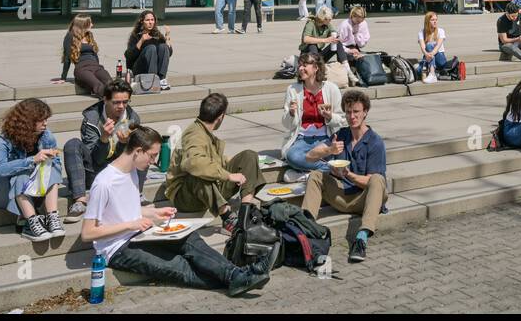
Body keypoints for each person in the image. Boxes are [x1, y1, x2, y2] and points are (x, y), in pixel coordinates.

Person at [82, 125, 267, 296]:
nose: (154, 162)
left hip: (139, 234)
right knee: (178, 266)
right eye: (152, 155)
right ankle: (237, 277)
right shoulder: (104, 182)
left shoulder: (131, 171)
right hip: (117, 249)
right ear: (138, 151)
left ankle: (236, 274)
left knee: (189, 238)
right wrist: (131, 224)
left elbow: (124, 208)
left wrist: (154, 213)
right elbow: (88, 233)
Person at [299, 89, 388, 263]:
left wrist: (349, 174)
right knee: (317, 175)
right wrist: (329, 150)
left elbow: (370, 182)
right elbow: (309, 157)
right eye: (348, 112)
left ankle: (361, 239)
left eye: (356, 112)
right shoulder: (341, 135)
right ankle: (305, 230)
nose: (352, 116)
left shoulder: (375, 142)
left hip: (365, 199)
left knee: (378, 180)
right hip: (341, 196)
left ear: (365, 113)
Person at [164, 92, 264, 234]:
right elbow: (194, 163)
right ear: (220, 117)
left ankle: (245, 212)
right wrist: (228, 176)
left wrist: (229, 163)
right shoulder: (194, 134)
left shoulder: (204, 130)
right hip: (186, 197)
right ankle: (227, 217)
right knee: (200, 173)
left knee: (249, 156)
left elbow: (211, 160)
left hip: (210, 189)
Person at [0, 98, 63, 242]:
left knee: (53, 167)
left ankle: (52, 217)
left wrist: (49, 162)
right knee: (21, 175)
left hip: (33, 188)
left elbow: (57, 164)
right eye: (41, 120)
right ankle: (31, 222)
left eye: (46, 119)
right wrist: (31, 160)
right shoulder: (3, 140)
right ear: (28, 121)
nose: (45, 123)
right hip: (1, 192)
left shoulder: (47, 136)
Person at [62, 80, 144, 221]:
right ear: (105, 99)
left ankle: (137, 192)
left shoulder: (132, 119)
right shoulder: (91, 120)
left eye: (125, 102)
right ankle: (80, 201)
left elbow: (124, 158)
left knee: (143, 146)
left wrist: (123, 144)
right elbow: (95, 158)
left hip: (117, 172)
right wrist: (104, 138)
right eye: (116, 102)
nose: (121, 106)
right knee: (72, 144)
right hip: (94, 171)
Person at [280, 51, 347, 180]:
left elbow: (342, 120)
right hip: (301, 139)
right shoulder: (293, 90)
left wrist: (329, 117)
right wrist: (291, 113)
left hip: (325, 138)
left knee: (342, 153)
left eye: (305, 65)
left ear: (316, 68)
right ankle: (326, 171)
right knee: (292, 156)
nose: (300, 68)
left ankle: (306, 174)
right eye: (299, 65)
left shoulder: (331, 89)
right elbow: (287, 125)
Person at [55, 14, 112, 98]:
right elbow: (67, 58)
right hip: (82, 69)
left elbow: (95, 54)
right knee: (98, 85)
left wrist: (98, 67)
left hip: (96, 67)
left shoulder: (89, 35)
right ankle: (111, 103)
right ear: (83, 24)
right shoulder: (70, 36)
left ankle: (117, 100)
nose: (92, 25)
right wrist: (63, 78)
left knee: (110, 83)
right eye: (90, 23)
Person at [125, 10, 172, 88]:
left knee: (163, 46)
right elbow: (129, 56)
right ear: (142, 21)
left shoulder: (157, 34)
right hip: (139, 68)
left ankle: (161, 79)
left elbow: (168, 53)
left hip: (155, 69)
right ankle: (152, 80)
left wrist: (167, 38)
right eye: (147, 20)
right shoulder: (135, 35)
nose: (150, 22)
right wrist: (141, 40)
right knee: (151, 48)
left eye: (152, 20)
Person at [417, 11, 456, 80]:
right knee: (418, 71)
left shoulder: (441, 31)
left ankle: (432, 74)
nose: (435, 22)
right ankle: (431, 71)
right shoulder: (421, 32)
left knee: (429, 46)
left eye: (436, 20)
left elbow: (437, 46)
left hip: (440, 59)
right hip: (428, 57)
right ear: (427, 21)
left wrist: (430, 55)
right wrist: (426, 55)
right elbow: (423, 47)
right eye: (432, 20)